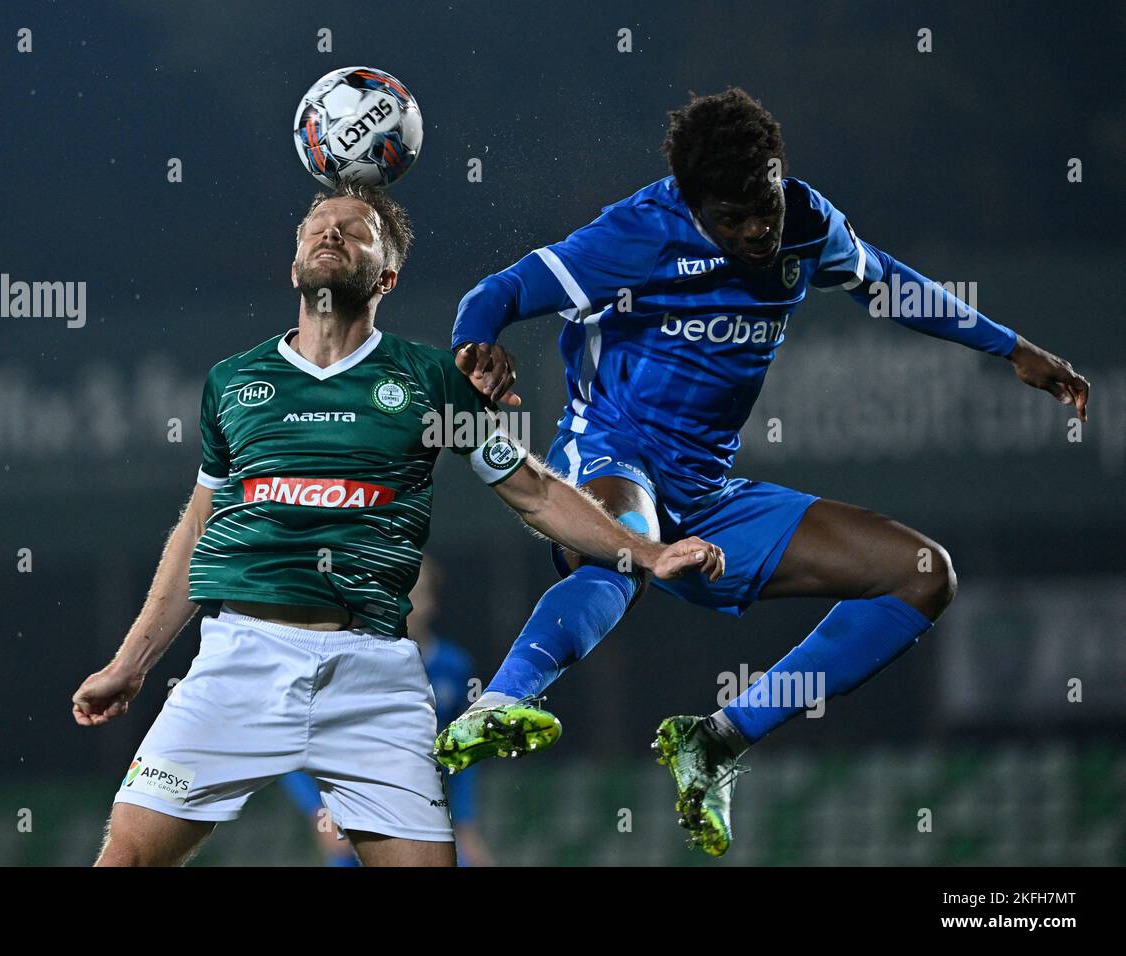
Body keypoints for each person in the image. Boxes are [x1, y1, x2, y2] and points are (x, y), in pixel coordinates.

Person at [434, 87, 1090, 856]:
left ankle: (717, 739)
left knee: (922, 574)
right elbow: (500, 291)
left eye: (764, 207)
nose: (756, 231)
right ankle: (503, 702)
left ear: (781, 176)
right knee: (622, 550)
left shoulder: (808, 224)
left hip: (711, 493)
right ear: (692, 202)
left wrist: (1010, 347)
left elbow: (887, 282)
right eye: (731, 218)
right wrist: (476, 347)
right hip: (615, 449)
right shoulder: (641, 232)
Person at [70, 182, 720, 867]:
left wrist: (646, 553)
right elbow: (198, 527)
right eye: (317, 225)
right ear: (294, 268)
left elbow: (533, 492)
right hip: (240, 660)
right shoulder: (233, 382)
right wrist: (130, 663)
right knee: (129, 861)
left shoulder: (429, 380)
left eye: (355, 229)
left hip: (372, 675)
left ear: (386, 276)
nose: (331, 233)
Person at [281, 557, 495, 866]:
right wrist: (319, 812)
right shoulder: (346, 661)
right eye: (393, 592)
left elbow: (464, 752)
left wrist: (465, 825)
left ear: (432, 601)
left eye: (415, 593)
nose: (403, 604)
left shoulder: (455, 666)